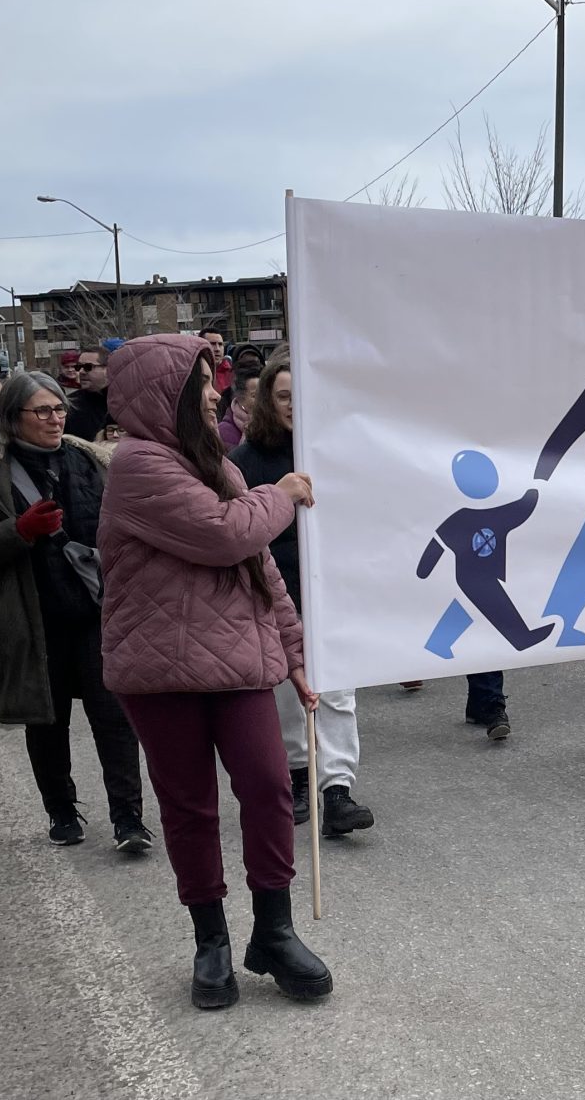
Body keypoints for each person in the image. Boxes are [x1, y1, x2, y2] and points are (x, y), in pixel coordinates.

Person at [99, 334, 332, 1010]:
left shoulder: (216, 466)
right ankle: (212, 943)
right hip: (159, 673)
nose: (215, 393)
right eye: (201, 382)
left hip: (238, 661)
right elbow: (227, 534)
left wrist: (294, 656)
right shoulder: (137, 465)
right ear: (161, 394)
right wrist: (281, 493)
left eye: (214, 381)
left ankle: (274, 931)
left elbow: (262, 574)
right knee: (190, 807)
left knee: (267, 787)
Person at [0, 371, 150, 852]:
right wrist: (18, 530)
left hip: (96, 614)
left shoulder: (91, 461)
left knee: (115, 719)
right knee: (46, 722)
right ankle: (61, 813)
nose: (55, 418)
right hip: (30, 618)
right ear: (13, 418)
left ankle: (128, 820)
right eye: (42, 411)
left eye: (59, 408)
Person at [231, 351, 374, 838]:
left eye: (302, 395)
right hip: (274, 596)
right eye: (284, 396)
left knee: (337, 692)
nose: (294, 404)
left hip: (331, 593)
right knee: (288, 696)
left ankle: (337, 789)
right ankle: (298, 775)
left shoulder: (335, 454)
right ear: (268, 401)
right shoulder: (245, 462)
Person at [64, 347, 111, 441]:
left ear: (107, 369)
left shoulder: (124, 400)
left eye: (88, 367)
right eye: (78, 367)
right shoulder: (70, 404)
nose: (81, 372)